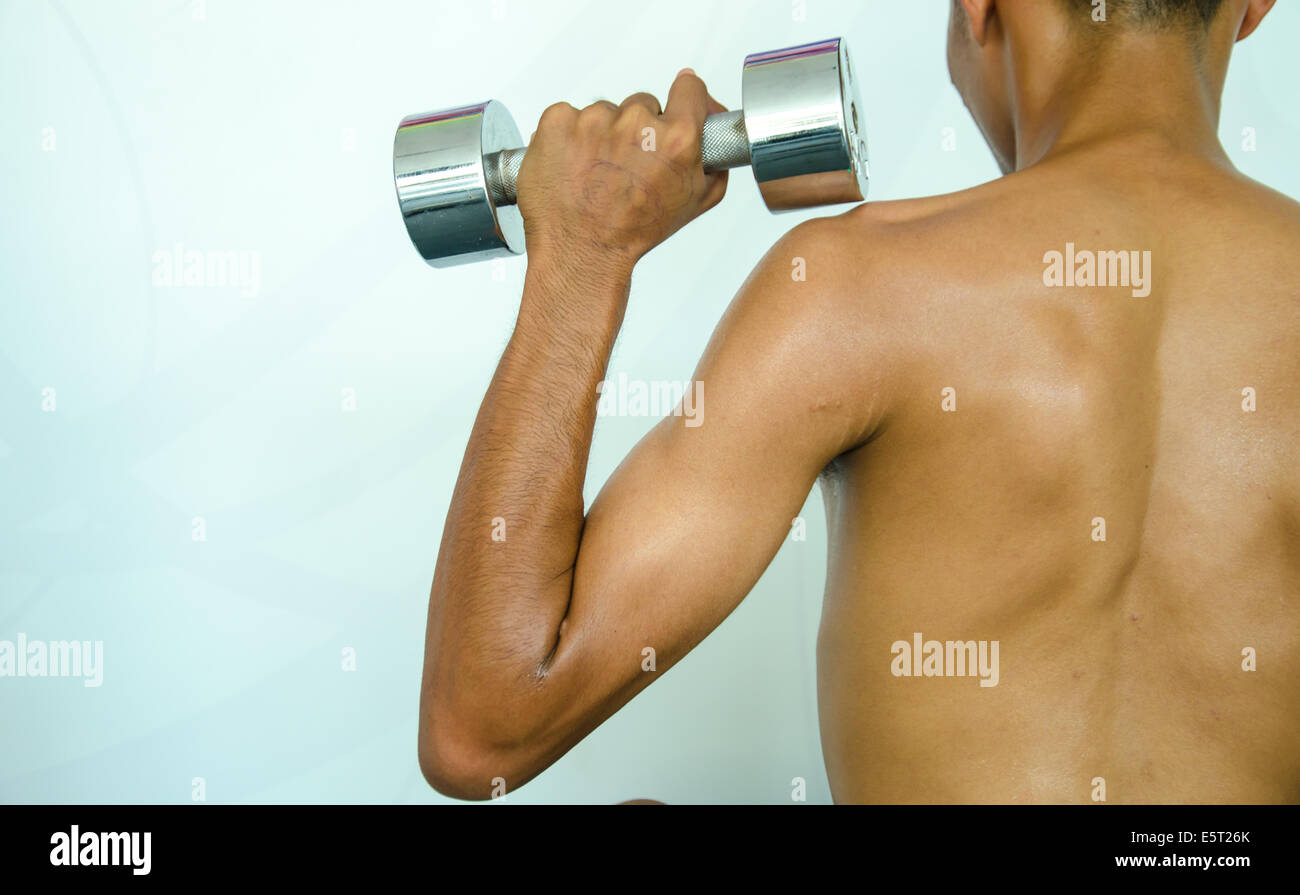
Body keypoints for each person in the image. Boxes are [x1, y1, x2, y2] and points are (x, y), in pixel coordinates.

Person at [417, 0, 1298, 803]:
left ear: (978, 8)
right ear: (1255, 8)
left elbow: (482, 728)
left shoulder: (855, 290)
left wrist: (585, 251)